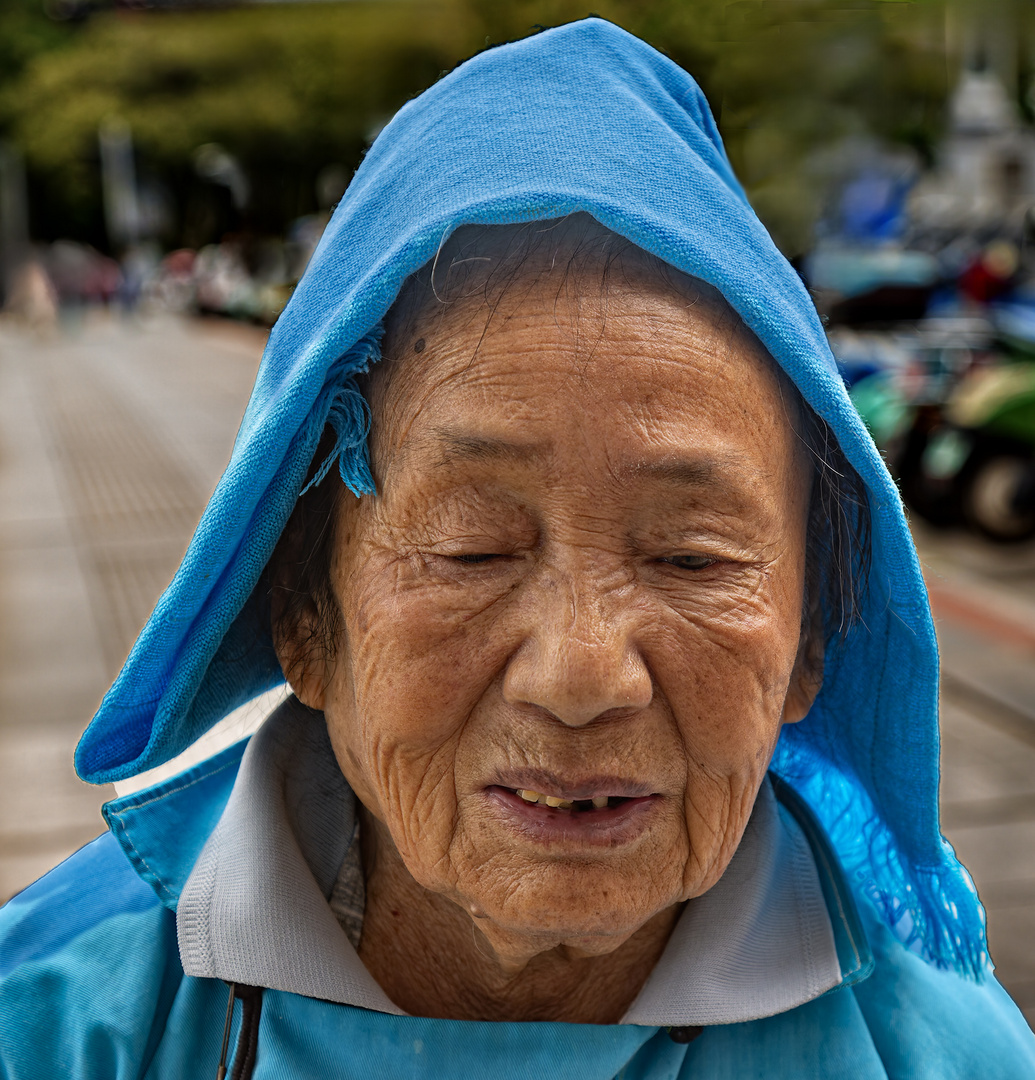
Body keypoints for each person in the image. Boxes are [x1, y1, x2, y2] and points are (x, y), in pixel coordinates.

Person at [1, 18, 1033, 1079]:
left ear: (812, 638)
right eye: (469, 550)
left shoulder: (938, 1050)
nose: (582, 677)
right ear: (303, 619)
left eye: (693, 558)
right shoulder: (57, 1023)